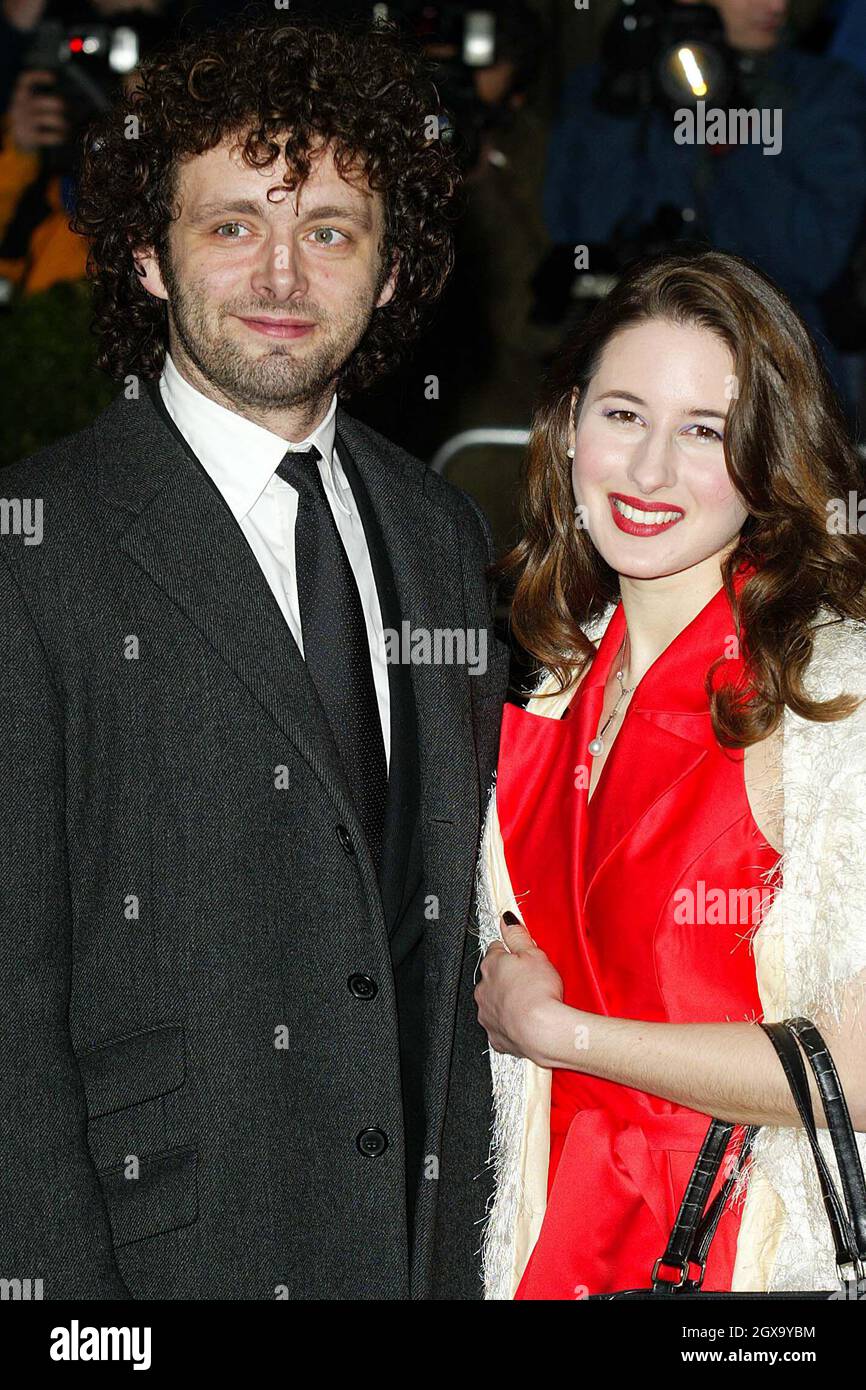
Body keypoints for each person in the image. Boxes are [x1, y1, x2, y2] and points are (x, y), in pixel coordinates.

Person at [0, 17, 509, 1299]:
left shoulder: (440, 529)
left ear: (390, 272)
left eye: (330, 230)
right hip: (167, 1256)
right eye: (232, 224)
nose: (281, 273)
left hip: (427, 1249)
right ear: (147, 256)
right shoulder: (35, 545)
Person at [473, 248, 866, 1298]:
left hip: (745, 1274)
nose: (647, 473)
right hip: (551, 1249)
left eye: (702, 432)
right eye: (621, 415)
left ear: (764, 459)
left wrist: (562, 1035)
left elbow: (860, 1068)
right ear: (564, 432)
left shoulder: (833, 702)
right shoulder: (545, 686)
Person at [542, 0, 866, 414]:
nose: (776, 5)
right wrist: (617, 113)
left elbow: (813, 256)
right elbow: (576, 236)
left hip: (774, 376)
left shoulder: (822, 90)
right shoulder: (606, 85)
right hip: (623, 360)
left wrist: (735, 133)